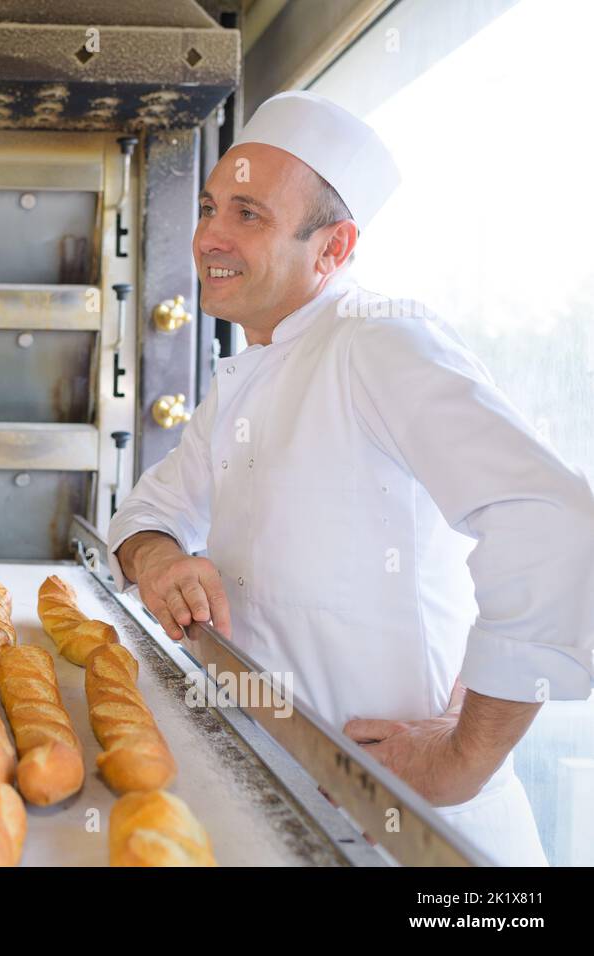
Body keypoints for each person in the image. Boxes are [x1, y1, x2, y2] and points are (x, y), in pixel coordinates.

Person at [109, 90, 594, 866]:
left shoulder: (380, 341)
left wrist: (464, 756)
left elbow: (554, 527)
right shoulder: (252, 371)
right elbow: (147, 510)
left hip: (411, 835)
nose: (210, 237)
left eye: (249, 215)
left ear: (333, 249)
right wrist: (163, 561)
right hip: (293, 807)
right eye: (209, 207)